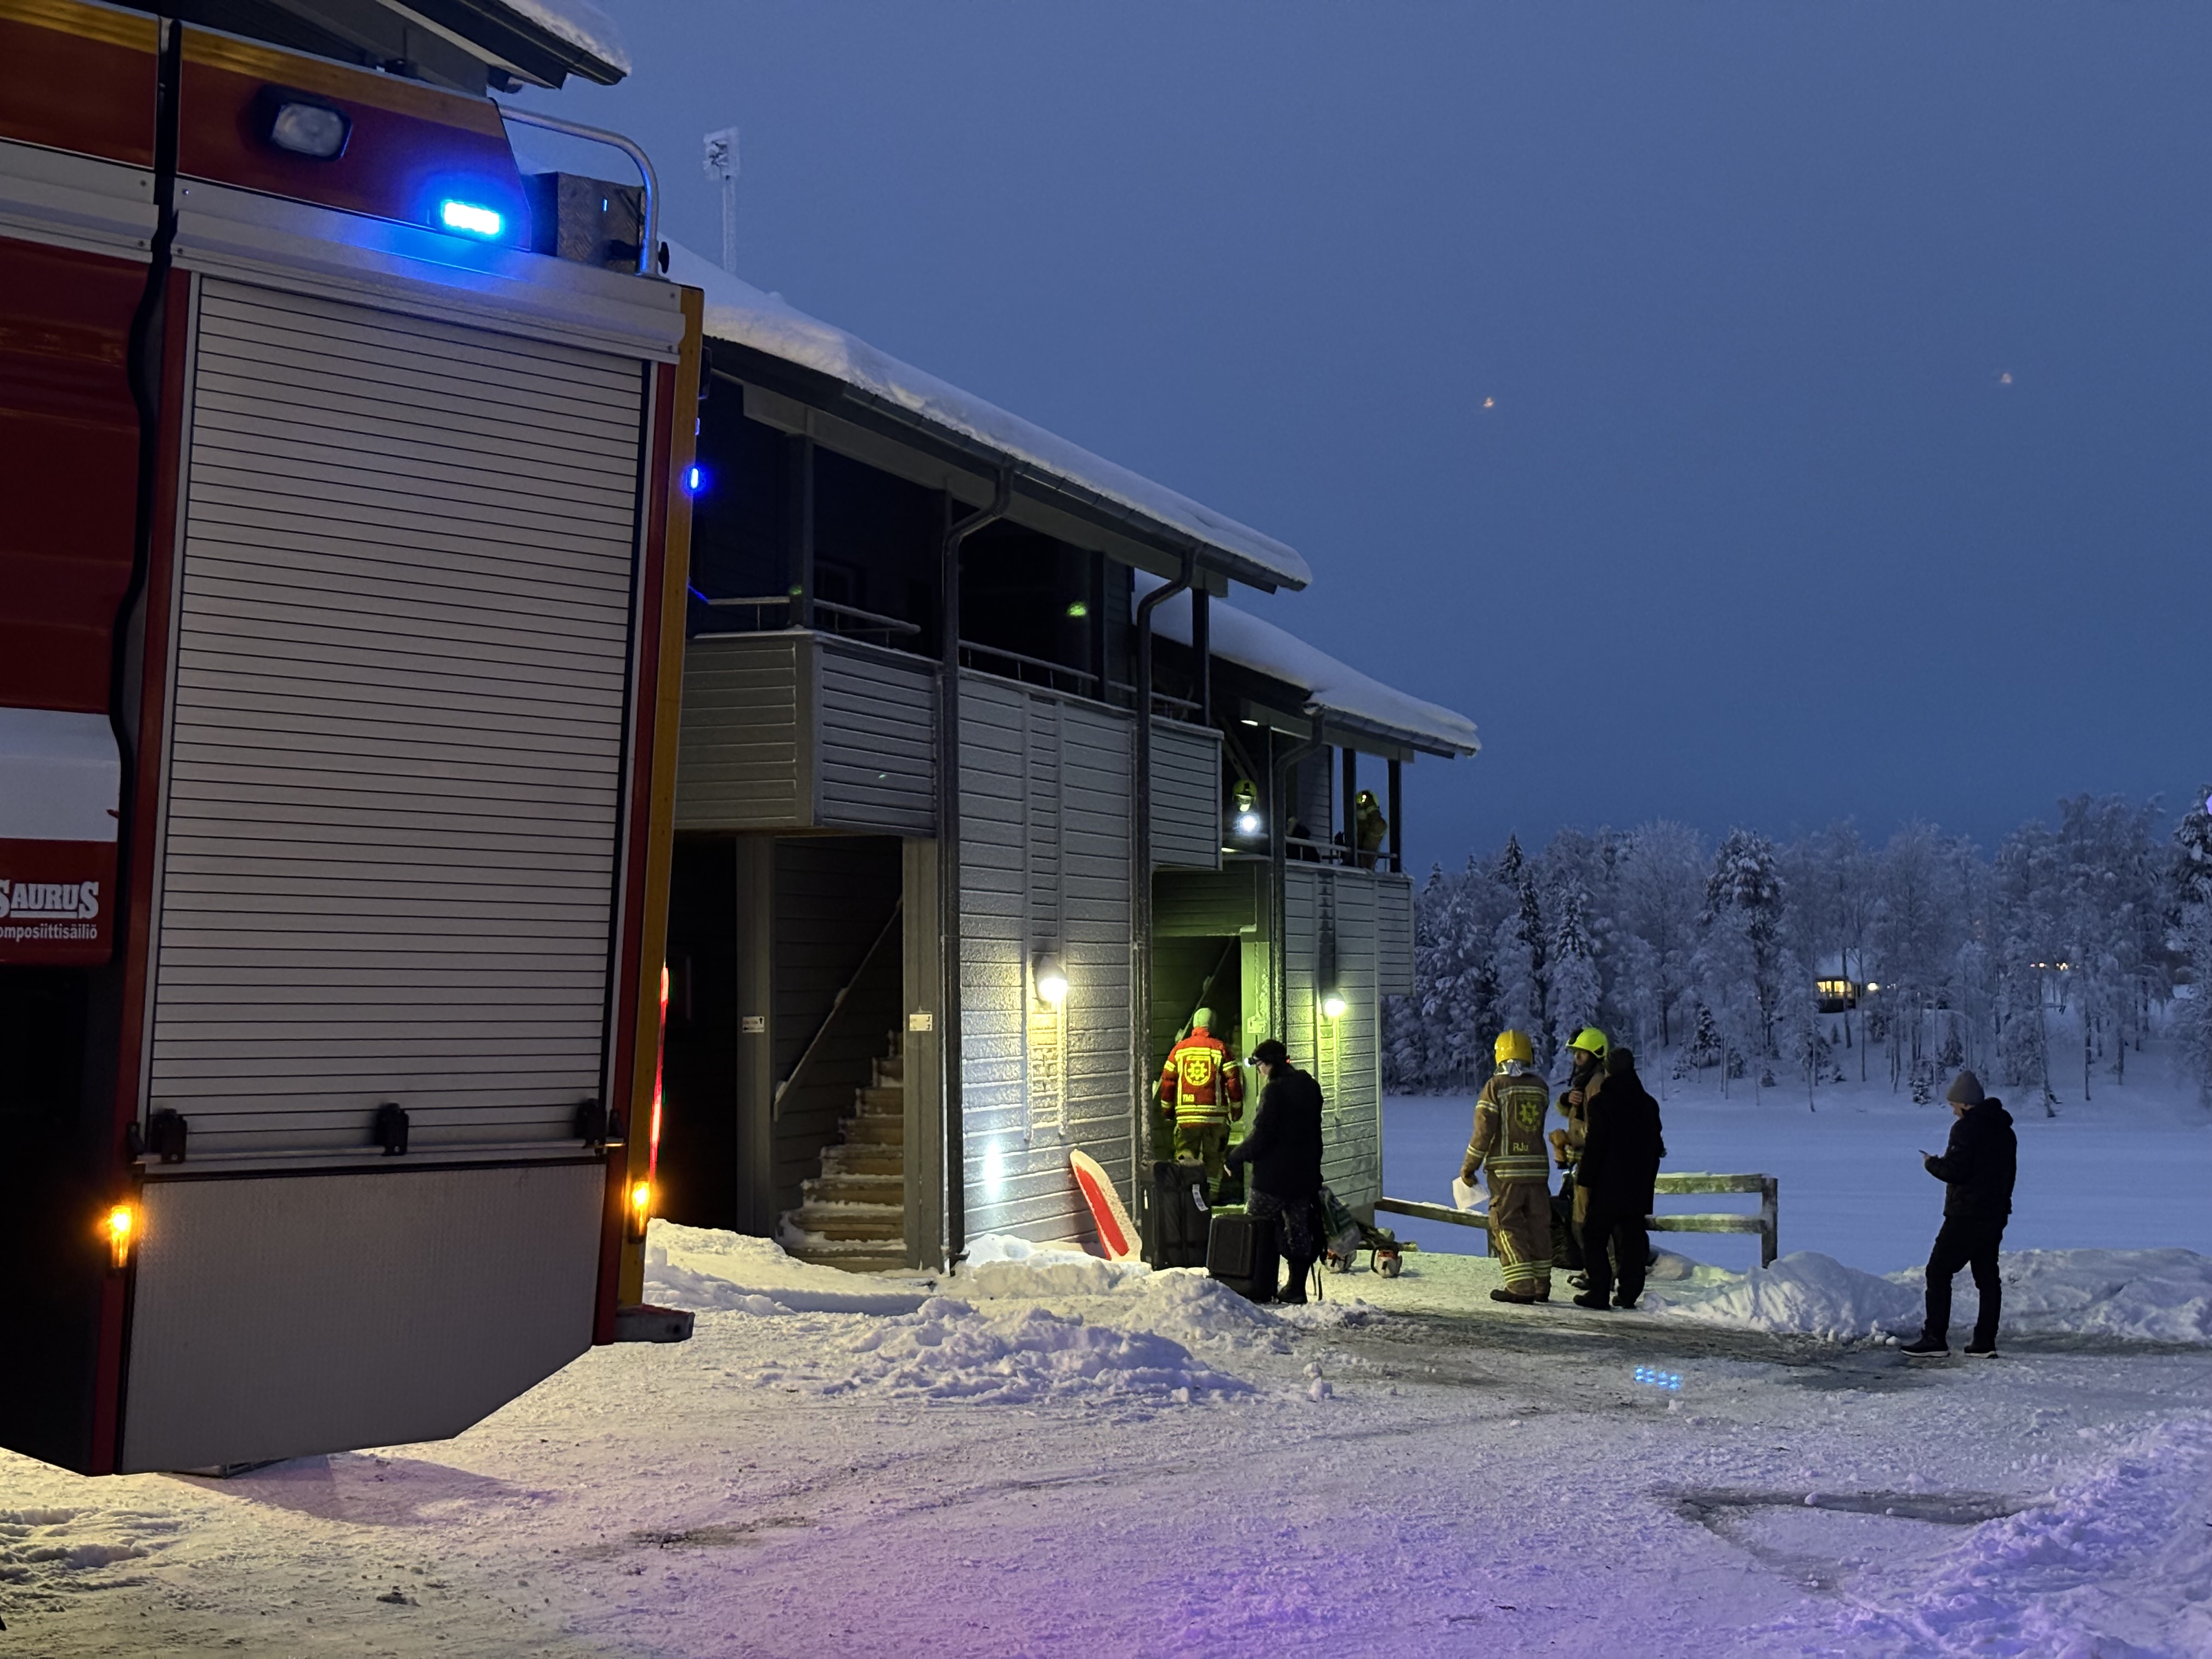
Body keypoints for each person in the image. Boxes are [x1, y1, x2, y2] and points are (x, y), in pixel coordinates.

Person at [1902, 1070, 2017, 1358]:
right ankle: (1984, 1341)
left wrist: (1932, 1164)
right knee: (1987, 1278)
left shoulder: (1966, 1129)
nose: (1953, 1111)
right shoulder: (2005, 1131)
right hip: (1995, 1214)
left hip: (1966, 1214)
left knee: (1938, 1271)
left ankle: (1935, 1338)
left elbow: (1957, 1171)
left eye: (1954, 1105)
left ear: (1966, 1103)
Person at [1226, 1039, 1324, 1304]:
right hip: (1305, 1175)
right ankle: (1296, 1288)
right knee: (1299, 1230)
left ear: (1267, 1065)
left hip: (1273, 1178)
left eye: (1259, 1065)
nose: (1258, 1071)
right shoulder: (1309, 1086)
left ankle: (1254, 1282)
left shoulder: (1274, 1092)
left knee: (1255, 1227)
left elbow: (1263, 1137)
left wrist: (1235, 1157)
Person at [1460, 1029, 1554, 1304]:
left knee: (1506, 1224)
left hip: (1505, 1171)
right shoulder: (1540, 1087)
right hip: (1538, 1170)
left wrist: (1469, 1166)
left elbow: (1484, 1131)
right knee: (1539, 1224)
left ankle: (1520, 1286)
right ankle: (1541, 1284)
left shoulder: (1495, 1086)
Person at [1572, 1047, 1666, 1311]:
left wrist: (1586, 1180)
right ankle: (1629, 1293)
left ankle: (1599, 1291)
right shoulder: (1649, 1104)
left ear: (1610, 1070)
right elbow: (1656, 1145)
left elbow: (1596, 1146)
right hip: (1639, 1184)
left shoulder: (1601, 1103)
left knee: (1594, 1234)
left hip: (1608, 1183)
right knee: (1633, 1236)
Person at [1158, 1007, 1244, 1198]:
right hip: (1216, 1117)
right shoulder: (1220, 1048)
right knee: (1214, 1158)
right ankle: (1210, 1199)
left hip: (1187, 1118)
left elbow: (1168, 1081)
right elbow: (1233, 1081)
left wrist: (1168, 1111)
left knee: (1186, 1155)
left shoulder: (1180, 1050)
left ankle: (1186, 1197)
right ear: (1212, 1025)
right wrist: (1236, 1110)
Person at [1549, 1026, 1609, 1274]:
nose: (1576, 1059)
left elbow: (1596, 1130)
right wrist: (1566, 1101)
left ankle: (1597, 1274)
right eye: (1575, 1054)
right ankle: (1595, 1271)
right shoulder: (1585, 1082)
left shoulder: (1598, 1084)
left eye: (1581, 1054)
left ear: (1595, 1054)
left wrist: (1567, 1141)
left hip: (1591, 1165)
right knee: (1581, 1220)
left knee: (1584, 1222)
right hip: (1583, 1165)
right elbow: (1578, 1115)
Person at [1353, 789, 1389, 870]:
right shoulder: (1356, 829)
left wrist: (1372, 811)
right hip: (1354, 872)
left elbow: (1377, 827)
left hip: (1364, 871)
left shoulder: (1376, 827)